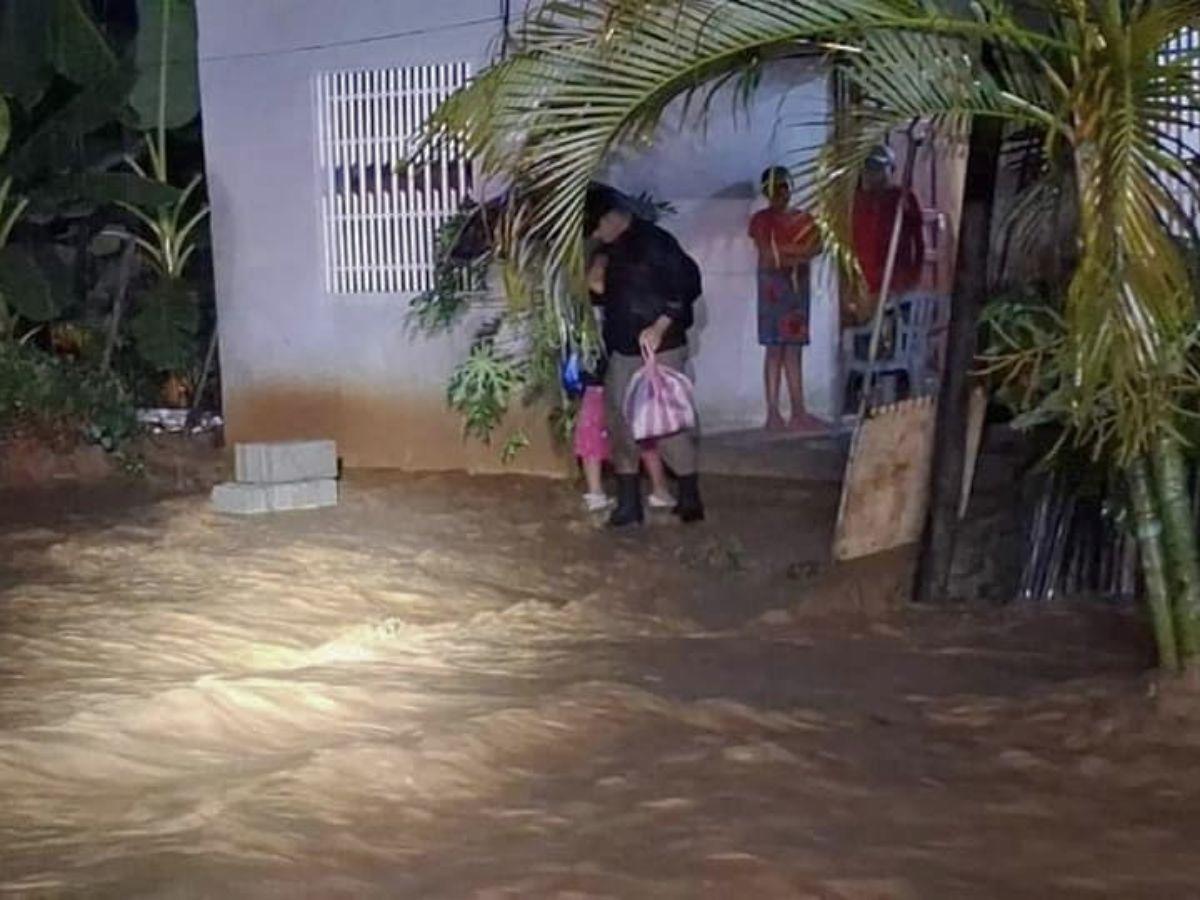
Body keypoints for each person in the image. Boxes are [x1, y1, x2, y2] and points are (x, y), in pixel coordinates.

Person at [585, 185, 705, 527]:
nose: (597, 235)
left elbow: (686, 287)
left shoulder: (657, 242)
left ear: (613, 217)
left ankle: (689, 496)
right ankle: (629, 504)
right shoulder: (609, 250)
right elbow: (604, 292)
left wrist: (660, 326)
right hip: (623, 348)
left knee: (667, 422)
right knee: (620, 421)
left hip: (661, 348)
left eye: (598, 228)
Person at [573, 252, 675, 513]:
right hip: (603, 368)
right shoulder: (614, 285)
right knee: (601, 428)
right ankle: (600, 491)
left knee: (638, 431)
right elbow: (596, 284)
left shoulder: (625, 290)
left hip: (619, 366)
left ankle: (656, 489)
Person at [748, 166, 824, 432]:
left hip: (795, 289)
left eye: (784, 187)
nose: (781, 193)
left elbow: (817, 246)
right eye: (775, 188)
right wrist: (797, 253)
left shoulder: (804, 218)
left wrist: (787, 254)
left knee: (794, 349)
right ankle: (772, 413)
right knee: (774, 349)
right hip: (773, 289)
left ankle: (798, 411)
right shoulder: (761, 220)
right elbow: (769, 254)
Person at [847, 144, 925, 326]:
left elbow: (919, 242)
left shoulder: (902, 198)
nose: (873, 174)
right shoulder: (858, 201)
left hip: (896, 282)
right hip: (866, 283)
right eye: (869, 168)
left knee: (896, 331)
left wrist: (913, 276)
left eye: (879, 168)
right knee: (864, 333)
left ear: (891, 169)